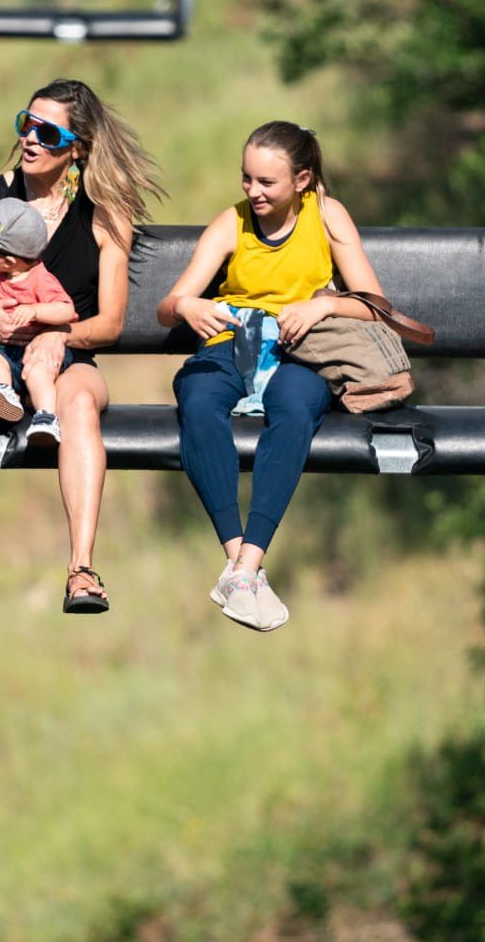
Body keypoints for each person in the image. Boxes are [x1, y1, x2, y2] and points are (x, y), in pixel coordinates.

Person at [0, 79, 163, 618]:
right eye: (26, 123)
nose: (29, 139)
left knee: (77, 407)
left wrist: (56, 335)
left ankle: (82, 569)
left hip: (69, 351)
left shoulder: (104, 214)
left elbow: (110, 323)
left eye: (47, 132)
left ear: (77, 148)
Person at [154, 121, 387, 632]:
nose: (253, 192)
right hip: (231, 343)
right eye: (246, 179)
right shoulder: (231, 224)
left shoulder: (326, 216)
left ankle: (246, 561)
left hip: (300, 347)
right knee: (198, 405)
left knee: (294, 407)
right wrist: (188, 306)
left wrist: (321, 308)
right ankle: (242, 566)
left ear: (301, 180)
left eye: (266, 183)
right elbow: (169, 305)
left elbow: (375, 305)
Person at [0, 196, 80, 445]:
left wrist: (35, 310)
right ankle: (3, 391)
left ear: (9, 260)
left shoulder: (40, 279)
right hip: (8, 349)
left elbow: (66, 310)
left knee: (37, 373)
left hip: (39, 350)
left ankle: (46, 416)